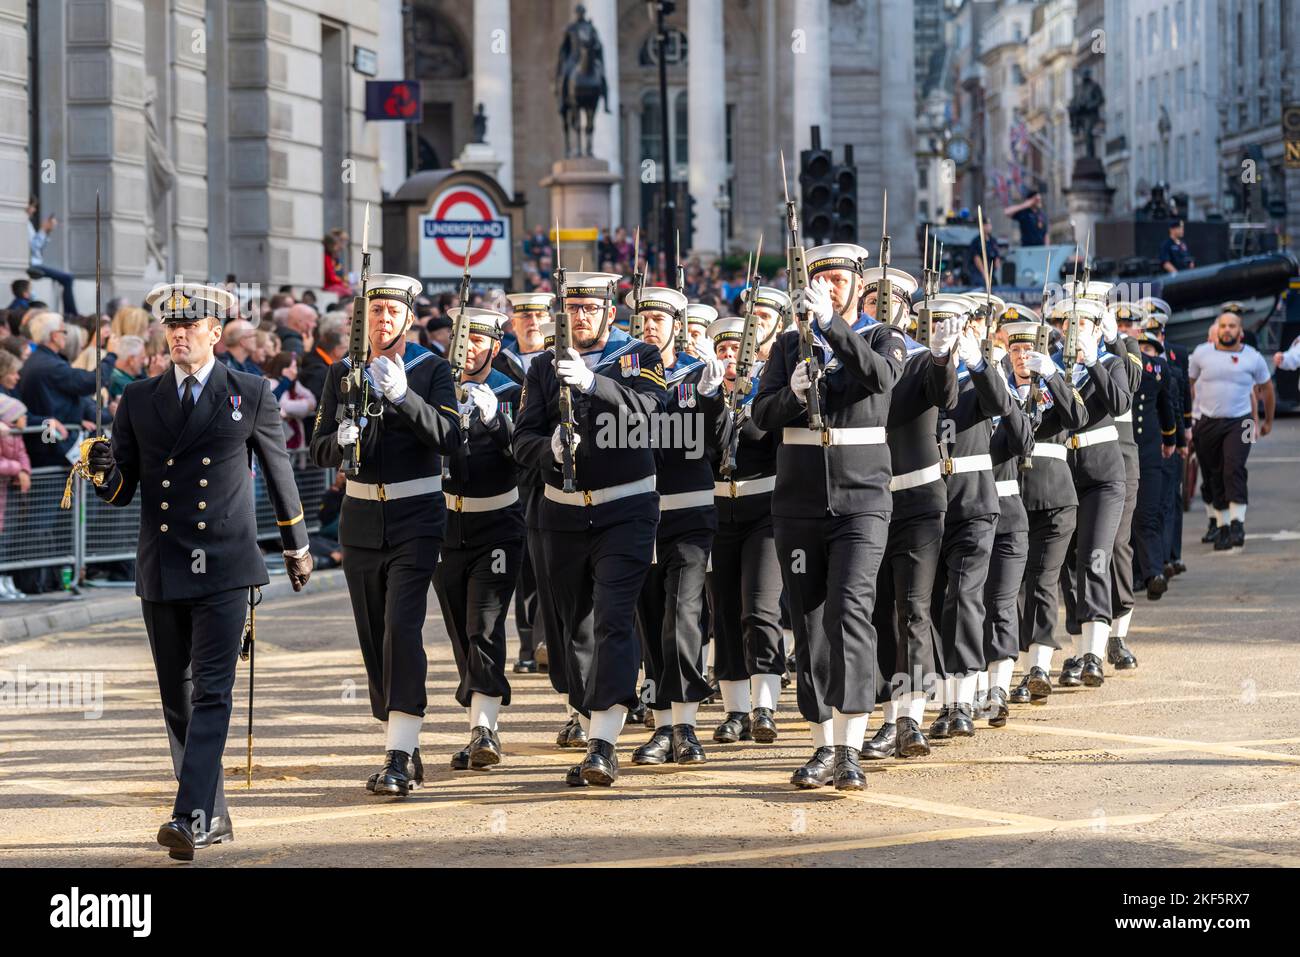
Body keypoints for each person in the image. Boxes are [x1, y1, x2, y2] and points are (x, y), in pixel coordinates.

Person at [87, 282, 313, 861]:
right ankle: (211, 814)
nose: (180, 335)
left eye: (192, 327)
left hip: (226, 562)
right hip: (162, 564)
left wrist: (296, 545)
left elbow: (278, 468)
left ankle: (188, 814)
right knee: (177, 697)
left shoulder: (251, 391)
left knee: (213, 690)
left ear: (216, 333)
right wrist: (102, 472)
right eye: (173, 327)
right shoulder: (138, 397)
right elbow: (122, 491)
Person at [752, 243, 904, 791]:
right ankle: (821, 744)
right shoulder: (789, 347)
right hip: (798, 502)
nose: (829, 287)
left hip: (862, 498)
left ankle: (851, 746)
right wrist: (792, 395)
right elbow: (758, 417)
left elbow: (879, 378)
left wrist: (832, 325)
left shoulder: (882, 336)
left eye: (838, 280)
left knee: (850, 612)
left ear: (859, 286)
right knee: (810, 623)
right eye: (821, 280)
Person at [309, 272, 463, 797]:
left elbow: (450, 437)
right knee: (375, 636)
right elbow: (318, 448)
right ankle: (405, 739)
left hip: (417, 515)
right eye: (374, 312)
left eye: (391, 312)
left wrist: (403, 398)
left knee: (402, 627)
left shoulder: (432, 369)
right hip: (361, 521)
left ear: (408, 317)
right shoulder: (341, 373)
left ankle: (398, 751)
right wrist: (340, 439)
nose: (382, 320)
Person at [512, 270, 666, 787]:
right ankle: (585, 711)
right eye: (572, 308)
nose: (580, 317)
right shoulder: (542, 368)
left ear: (608, 312)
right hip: (562, 512)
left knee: (614, 620)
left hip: (626, 509)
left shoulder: (640, 356)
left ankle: (604, 742)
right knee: (569, 625)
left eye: (590, 308)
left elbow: (652, 414)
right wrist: (548, 450)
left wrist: (594, 385)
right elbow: (522, 439)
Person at [625, 283, 727, 767]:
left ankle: (684, 724)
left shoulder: (695, 373)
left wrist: (712, 391)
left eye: (659, 319)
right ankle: (663, 724)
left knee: (681, 616)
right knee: (650, 620)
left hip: (688, 510)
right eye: (643, 318)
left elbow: (715, 441)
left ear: (677, 326)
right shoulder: (622, 371)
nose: (649, 326)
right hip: (637, 512)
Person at [862, 284, 961, 759]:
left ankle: (910, 718)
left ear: (906, 311)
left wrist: (944, 359)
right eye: (870, 301)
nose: (879, 310)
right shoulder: (854, 361)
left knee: (914, 607)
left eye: (891, 303)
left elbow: (945, 396)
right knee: (879, 611)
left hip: (920, 498)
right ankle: (886, 716)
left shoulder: (922, 359)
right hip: (868, 502)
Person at [432, 307, 526, 771]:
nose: (466, 349)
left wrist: (497, 422)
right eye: (460, 340)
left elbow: (527, 456)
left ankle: (485, 728)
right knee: (459, 633)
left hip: (497, 526)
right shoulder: (437, 389)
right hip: (448, 528)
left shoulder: (513, 392)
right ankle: (478, 723)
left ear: (493, 345)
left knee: (483, 625)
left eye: (475, 341)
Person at [706, 294, 790, 746]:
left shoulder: (766, 394)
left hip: (763, 509)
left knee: (759, 609)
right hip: (718, 510)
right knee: (724, 612)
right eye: (721, 349)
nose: (729, 358)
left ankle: (764, 704)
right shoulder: (704, 396)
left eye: (736, 349)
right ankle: (734, 709)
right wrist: (714, 400)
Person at [1051, 296, 1132, 689]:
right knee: (1069, 565)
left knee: (1096, 557)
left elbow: (1118, 403)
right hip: (1065, 477)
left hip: (1103, 476)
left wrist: (1093, 362)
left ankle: (1096, 653)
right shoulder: (1056, 370)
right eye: (1069, 324)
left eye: (1082, 324)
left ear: (1097, 330)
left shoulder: (1112, 364)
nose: (1073, 331)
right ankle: (1080, 649)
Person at [1189, 305, 1274, 549]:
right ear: (1218, 330)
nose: (1227, 330)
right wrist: (1185, 418)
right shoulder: (1201, 354)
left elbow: (1266, 389)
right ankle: (1222, 526)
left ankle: (1238, 524)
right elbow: (1188, 383)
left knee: (1233, 467)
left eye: (1232, 326)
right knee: (1213, 473)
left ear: (1241, 331)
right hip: (1207, 421)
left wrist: (1266, 421)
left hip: (1243, 421)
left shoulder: (1253, 357)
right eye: (1223, 326)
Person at [503, 292, 555, 676]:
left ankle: (547, 640)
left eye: (539, 314)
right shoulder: (501, 364)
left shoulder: (553, 361)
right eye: (525, 316)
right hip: (515, 477)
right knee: (523, 566)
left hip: (551, 472)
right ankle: (527, 643)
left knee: (552, 562)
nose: (532, 321)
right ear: (512, 321)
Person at [17, 312, 118, 468]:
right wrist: (111, 354)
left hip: (46, 441)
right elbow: (92, 382)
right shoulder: (50, 366)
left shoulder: (38, 360)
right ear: (54, 336)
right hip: (50, 446)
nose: (66, 335)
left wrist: (77, 418)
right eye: (64, 331)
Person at [1132, 329, 1178, 603]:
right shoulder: (1109, 362)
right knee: (1128, 521)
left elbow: (1166, 407)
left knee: (1149, 514)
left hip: (1149, 451)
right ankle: (1137, 574)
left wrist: (1171, 438)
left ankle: (1154, 574)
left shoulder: (1157, 369)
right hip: (1120, 452)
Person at [0, 392, 33, 600]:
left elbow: (22, 454)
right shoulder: (4, 434)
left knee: (8, 538)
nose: (27, 419)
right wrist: (17, 470)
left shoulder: (15, 434)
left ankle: (6, 577)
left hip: (9, 493)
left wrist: (25, 471)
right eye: (23, 414)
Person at [26, 198, 79, 316]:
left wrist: (46, 231)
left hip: (36, 263)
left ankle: (70, 312)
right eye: (33, 206)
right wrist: (43, 229)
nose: (34, 210)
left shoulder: (28, 223)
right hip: (33, 265)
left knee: (67, 278)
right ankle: (71, 313)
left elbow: (38, 247)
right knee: (67, 278)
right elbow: (33, 247)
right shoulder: (24, 223)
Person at [262, 351, 316, 451]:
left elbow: (312, 400)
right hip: (276, 431)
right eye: (293, 367)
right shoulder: (270, 382)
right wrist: (305, 405)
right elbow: (284, 406)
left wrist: (306, 404)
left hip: (292, 430)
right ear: (282, 367)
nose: (295, 371)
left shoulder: (294, 383)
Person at [968, 217, 1000, 286]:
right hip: (979, 274)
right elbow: (977, 259)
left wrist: (998, 273)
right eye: (987, 225)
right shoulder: (976, 241)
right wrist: (985, 275)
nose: (989, 227)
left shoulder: (993, 241)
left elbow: (997, 257)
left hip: (992, 273)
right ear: (982, 226)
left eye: (989, 224)